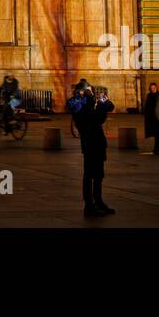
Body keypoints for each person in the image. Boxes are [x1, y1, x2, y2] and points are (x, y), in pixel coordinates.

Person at [70, 81, 115, 216]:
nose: (91, 93)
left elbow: (110, 107)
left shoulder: (88, 104)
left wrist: (104, 101)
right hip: (90, 144)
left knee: (98, 174)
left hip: (98, 143)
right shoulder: (78, 106)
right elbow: (96, 118)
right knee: (89, 175)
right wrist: (100, 103)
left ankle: (98, 201)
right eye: (88, 90)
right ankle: (89, 205)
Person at [142, 81, 159, 155]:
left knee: (158, 134)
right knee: (156, 134)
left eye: (154, 88)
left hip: (158, 117)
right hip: (152, 118)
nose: (153, 89)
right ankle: (156, 148)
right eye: (151, 88)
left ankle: (158, 148)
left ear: (156, 88)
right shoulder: (149, 95)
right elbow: (147, 106)